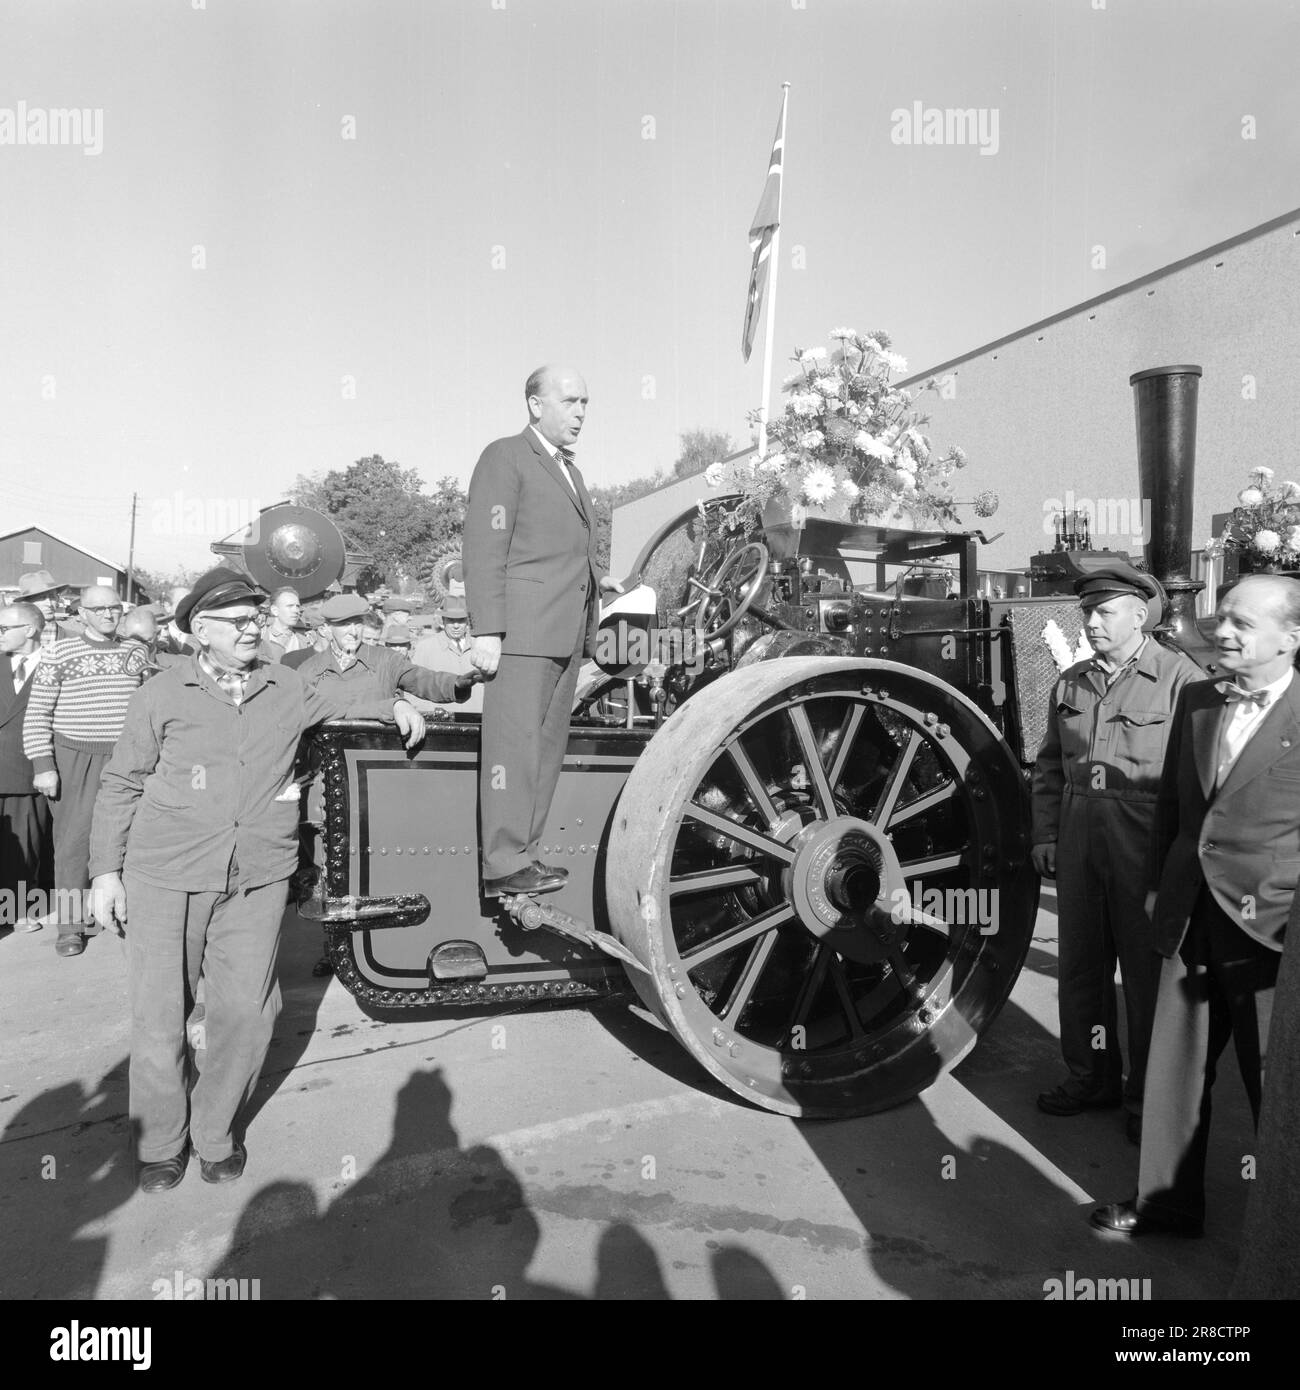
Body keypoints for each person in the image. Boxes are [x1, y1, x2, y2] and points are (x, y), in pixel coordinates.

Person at [86, 567, 428, 1194]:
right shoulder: (163, 693)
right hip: (167, 872)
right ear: (199, 632)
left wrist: (397, 702)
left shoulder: (285, 685)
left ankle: (214, 1133)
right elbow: (122, 782)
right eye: (238, 621)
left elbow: (348, 704)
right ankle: (161, 1142)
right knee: (161, 1015)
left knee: (247, 1012)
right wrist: (105, 871)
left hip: (258, 875)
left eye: (255, 618)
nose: (253, 628)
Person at [1091, 574, 1300, 1237]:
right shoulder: (1201, 698)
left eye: (1242, 622)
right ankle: (1165, 1203)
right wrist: (1158, 885)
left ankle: (1280, 1234)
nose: (1222, 631)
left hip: (1271, 926)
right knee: (1174, 1073)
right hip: (1189, 912)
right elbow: (1176, 811)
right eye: (1222, 618)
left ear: (1290, 637)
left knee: (1276, 1086)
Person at [1031, 563, 1200, 1143]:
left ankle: (1146, 1097)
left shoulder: (1180, 680)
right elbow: (1050, 766)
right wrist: (1046, 835)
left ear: (1140, 613)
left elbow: (1195, 780)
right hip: (1080, 837)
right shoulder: (1072, 683)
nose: (1093, 622)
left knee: (1146, 974)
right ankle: (1092, 1075)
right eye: (1087, 612)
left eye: (1105, 612)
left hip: (1143, 836)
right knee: (1082, 966)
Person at [463, 364, 623, 897]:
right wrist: (488, 629)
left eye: (586, 403)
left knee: (545, 750)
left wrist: (604, 592)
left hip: (564, 633)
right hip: (521, 635)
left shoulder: (571, 472)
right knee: (514, 749)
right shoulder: (505, 456)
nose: (581, 413)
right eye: (571, 401)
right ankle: (504, 863)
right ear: (535, 404)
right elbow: (485, 549)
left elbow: (569, 557)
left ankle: (524, 856)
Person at [23, 585, 146, 956]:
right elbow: (37, 713)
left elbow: (148, 705)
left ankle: (127, 913)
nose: (109, 614)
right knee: (75, 841)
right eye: (99, 608)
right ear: (82, 614)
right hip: (75, 757)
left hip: (127, 757)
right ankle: (72, 926)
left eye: (114, 607)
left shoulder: (136, 651)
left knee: (132, 836)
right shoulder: (59, 651)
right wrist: (44, 766)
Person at [0, 603, 54, 932]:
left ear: (30, 630)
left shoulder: (54, 665)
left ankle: (18, 910)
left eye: (5, 627)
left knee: (24, 844)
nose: (0, 633)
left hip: (27, 769)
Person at [413, 598, 482, 714]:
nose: (456, 626)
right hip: (440, 722)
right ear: (443, 621)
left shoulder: (481, 647)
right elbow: (414, 686)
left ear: (467, 621)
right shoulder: (425, 648)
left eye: (460, 620)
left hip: (477, 719)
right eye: (451, 620)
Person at [260, 587, 310, 662]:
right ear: (275, 610)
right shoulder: (260, 639)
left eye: (297, 606)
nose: (296, 610)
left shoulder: (305, 643)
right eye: (290, 606)